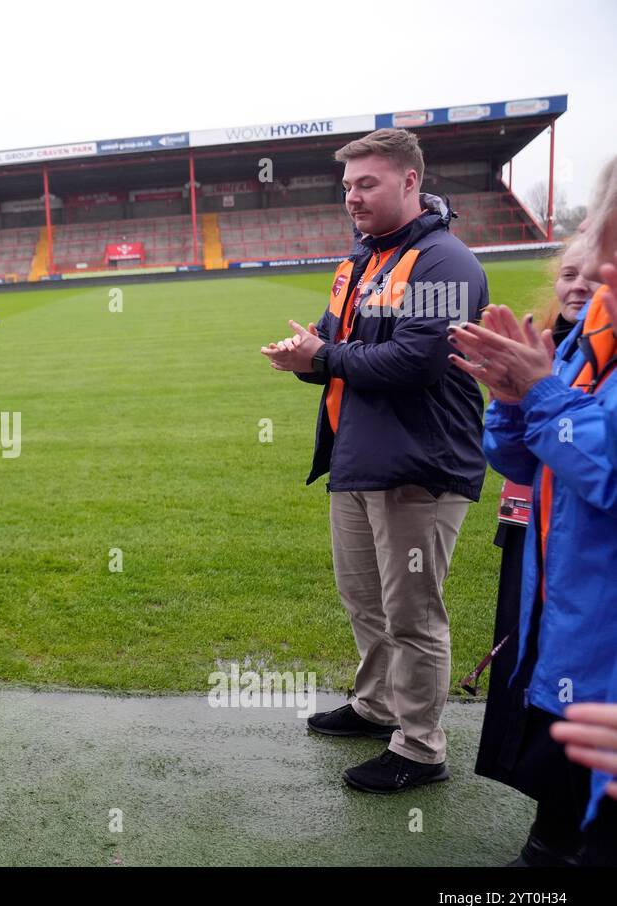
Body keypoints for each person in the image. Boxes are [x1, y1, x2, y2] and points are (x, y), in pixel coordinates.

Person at [260, 128, 489, 793]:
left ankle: (420, 748)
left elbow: (416, 364)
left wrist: (324, 357)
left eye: (368, 184)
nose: (353, 199)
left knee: (412, 614)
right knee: (364, 600)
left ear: (410, 182)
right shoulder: (358, 262)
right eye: (348, 188)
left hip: (421, 466)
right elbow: (335, 350)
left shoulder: (445, 262)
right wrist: (307, 356)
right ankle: (377, 706)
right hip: (358, 459)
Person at [451, 159, 617, 866]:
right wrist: (514, 399)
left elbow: (605, 472)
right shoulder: (587, 337)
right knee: (559, 802)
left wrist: (541, 396)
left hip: (598, 629)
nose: (590, 271)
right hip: (566, 609)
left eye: (602, 238)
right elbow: (525, 463)